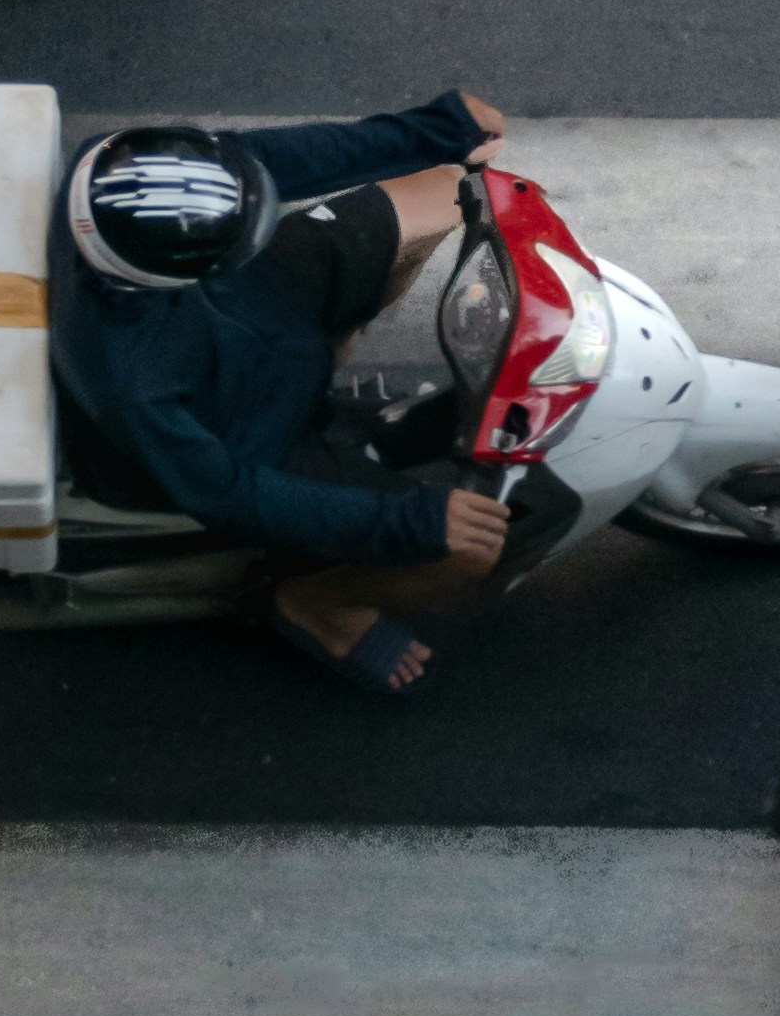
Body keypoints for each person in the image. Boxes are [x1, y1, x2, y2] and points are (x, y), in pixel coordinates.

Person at [46, 98, 517, 693]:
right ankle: (317, 603)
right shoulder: (133, 385)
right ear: (179, 277)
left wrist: (436, 129)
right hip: (264, 434)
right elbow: (230, 493)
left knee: (439, 189)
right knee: (471, 553)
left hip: (263, 311)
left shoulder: (123, 161)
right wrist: (407, 520)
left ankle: (336, 337)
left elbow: (265, 159)